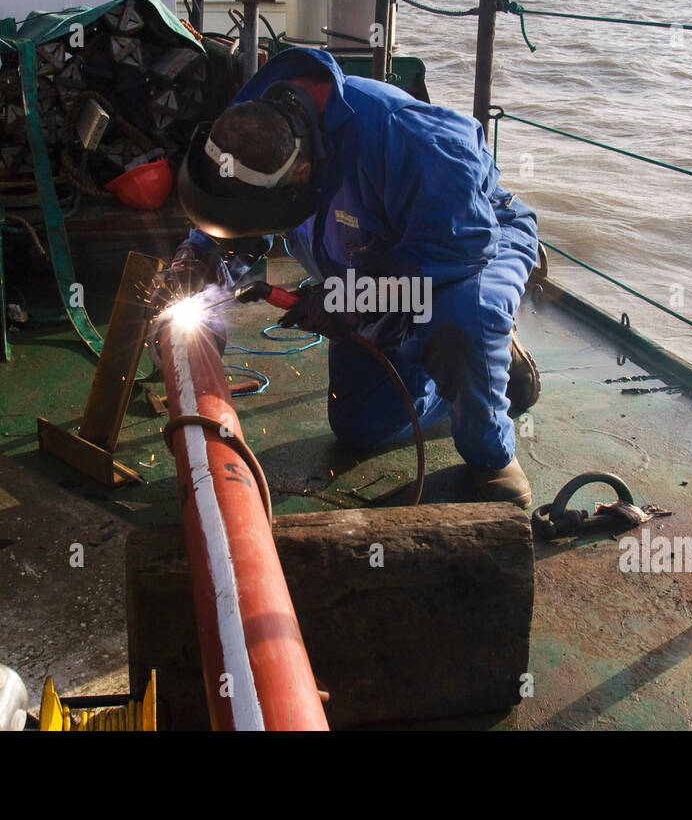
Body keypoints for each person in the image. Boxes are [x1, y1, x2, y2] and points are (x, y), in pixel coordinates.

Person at [166, 46, 540, 506]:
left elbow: (460, 244)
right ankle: (472, 374)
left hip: (466, 241)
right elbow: (241, 211)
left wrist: (352, 298)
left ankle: (490, 450)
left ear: (303, 173)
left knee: (462, 320)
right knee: (361, 428)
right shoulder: (254, 123)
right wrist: (201, 258)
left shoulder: (407, 137)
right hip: (367, 255)